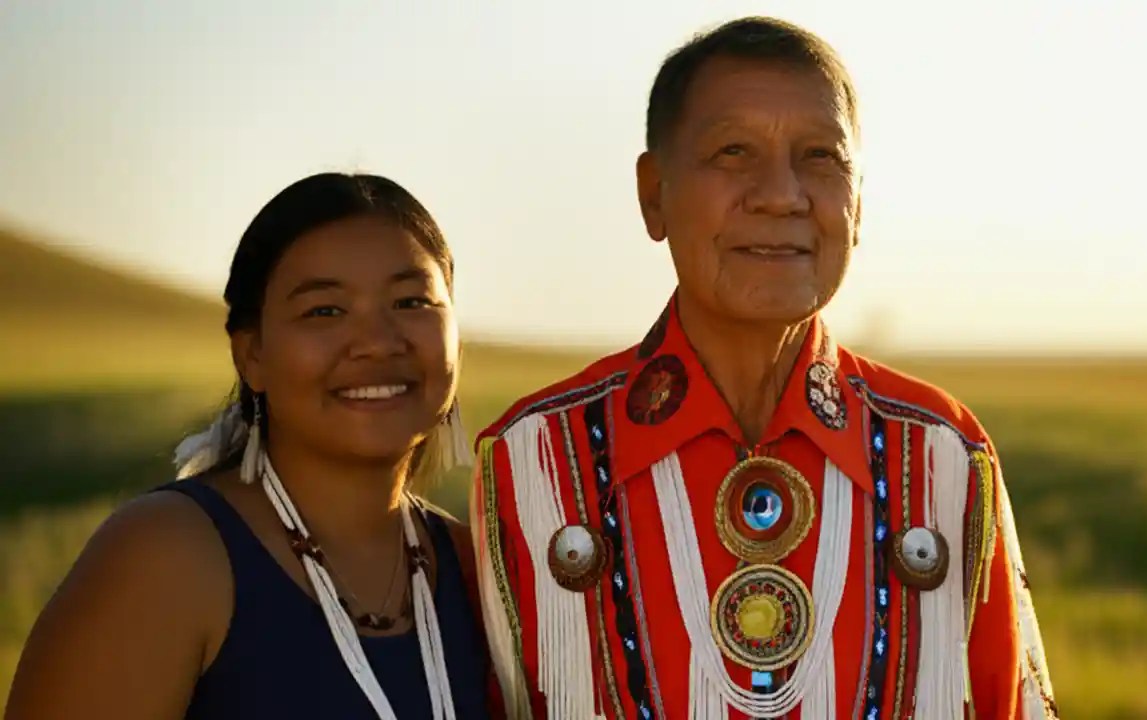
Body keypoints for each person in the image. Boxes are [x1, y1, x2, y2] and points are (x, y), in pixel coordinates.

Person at [469, 16, 1057, 720]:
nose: (781, 193)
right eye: (733, 151)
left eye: (820, 157)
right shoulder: (534, 462)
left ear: (859, 201)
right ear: (654, 194)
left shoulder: (940, 456)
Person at [7, 173, 495, 719]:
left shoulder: (481, 572)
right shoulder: (169, 557)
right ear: (252, 355)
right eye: (325, 311)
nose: (379, 341)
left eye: (411, 301)